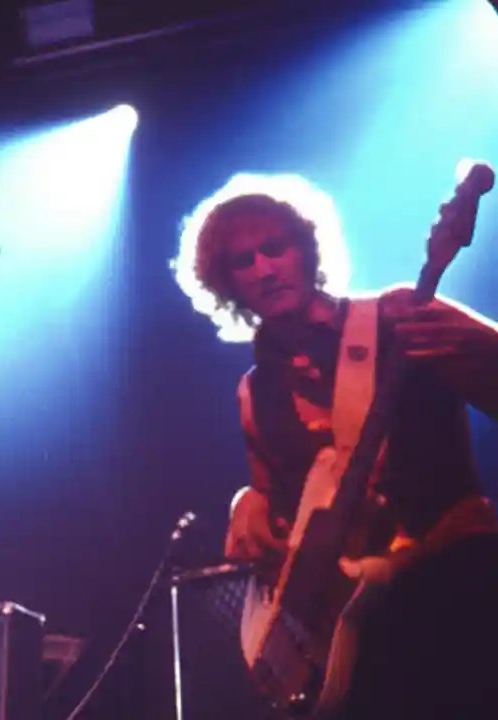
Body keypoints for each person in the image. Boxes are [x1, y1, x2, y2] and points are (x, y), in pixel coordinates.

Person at [172, 171, 498, 718]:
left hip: (454, 585)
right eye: (243, 261)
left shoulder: (396, 316)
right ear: (225, 284)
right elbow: (283, 515)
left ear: (305, 250)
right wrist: (246, 508)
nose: (263, 268)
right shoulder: (255, 392)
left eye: (275, 248)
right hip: (355, 628)